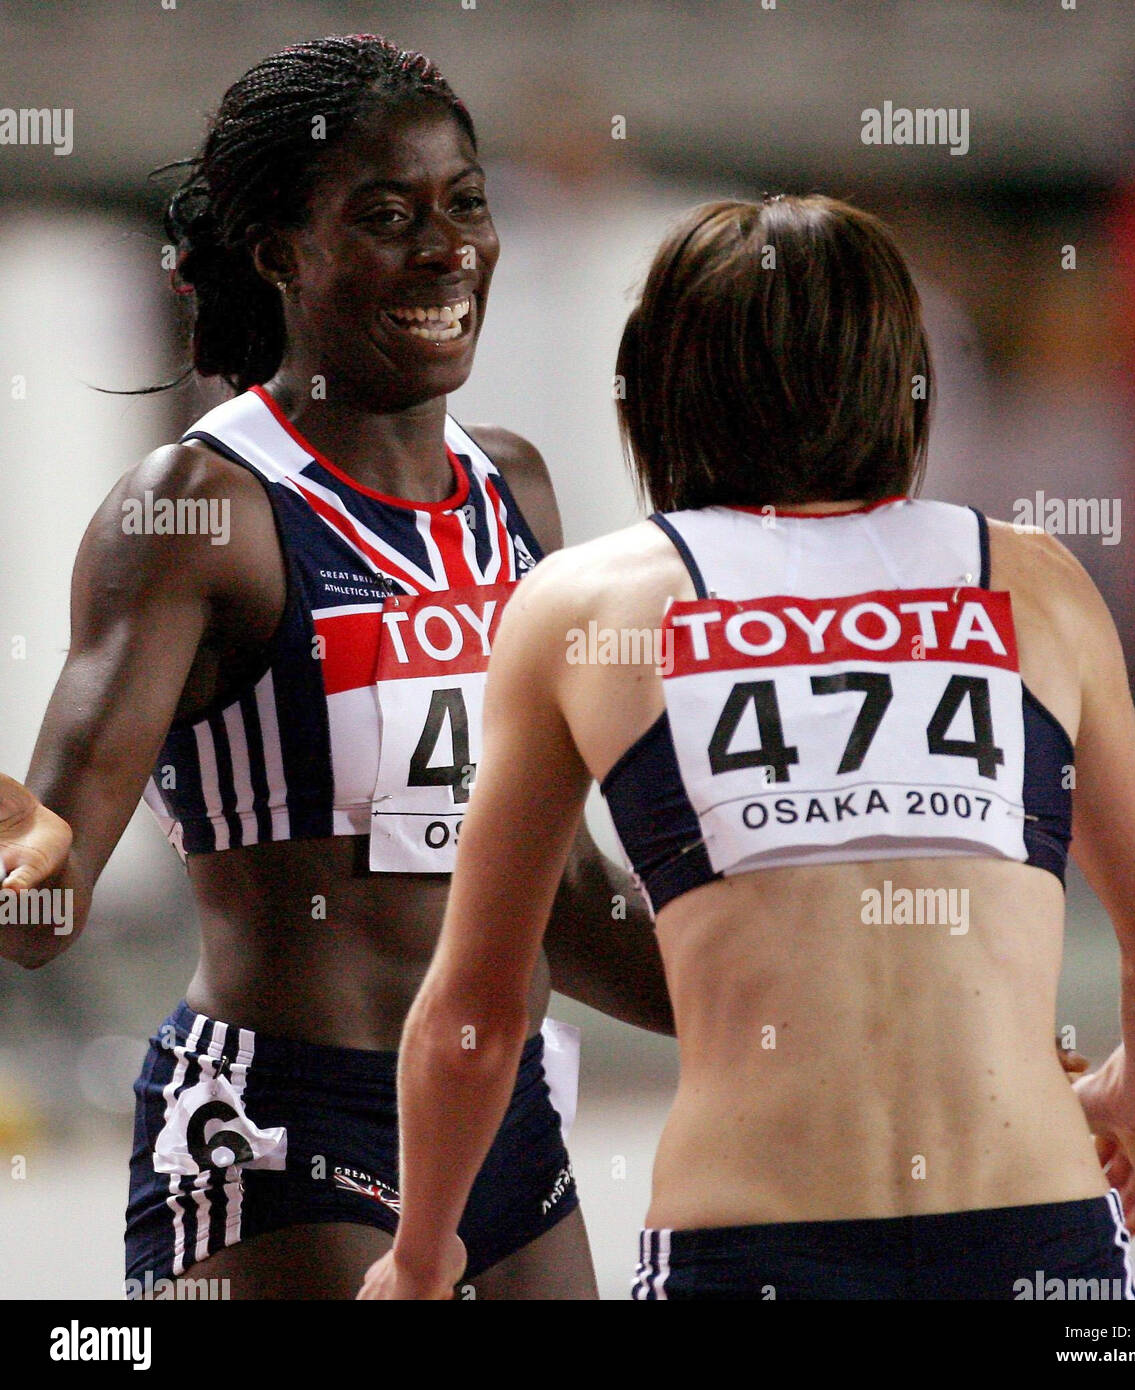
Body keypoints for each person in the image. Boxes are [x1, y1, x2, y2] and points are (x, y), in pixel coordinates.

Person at [361, 195, 1135, 1300]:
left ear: (659, 391)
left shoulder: (582, 606)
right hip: (1037, 1236)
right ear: (897, 379)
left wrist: (422, 1254)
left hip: (750, 1246)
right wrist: (1130, 1104)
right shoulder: (1034, 584)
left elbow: (475, 1016)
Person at [8, 35, 670, 1300]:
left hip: (500, 1120)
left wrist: (809, 999)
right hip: (288, 1134)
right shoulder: (198, 510)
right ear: (277, 253)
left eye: (464, 203)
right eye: (385, 215)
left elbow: (559, 887)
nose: (446, 249)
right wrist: (15, 859)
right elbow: (44, 904)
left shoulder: (513, 490)